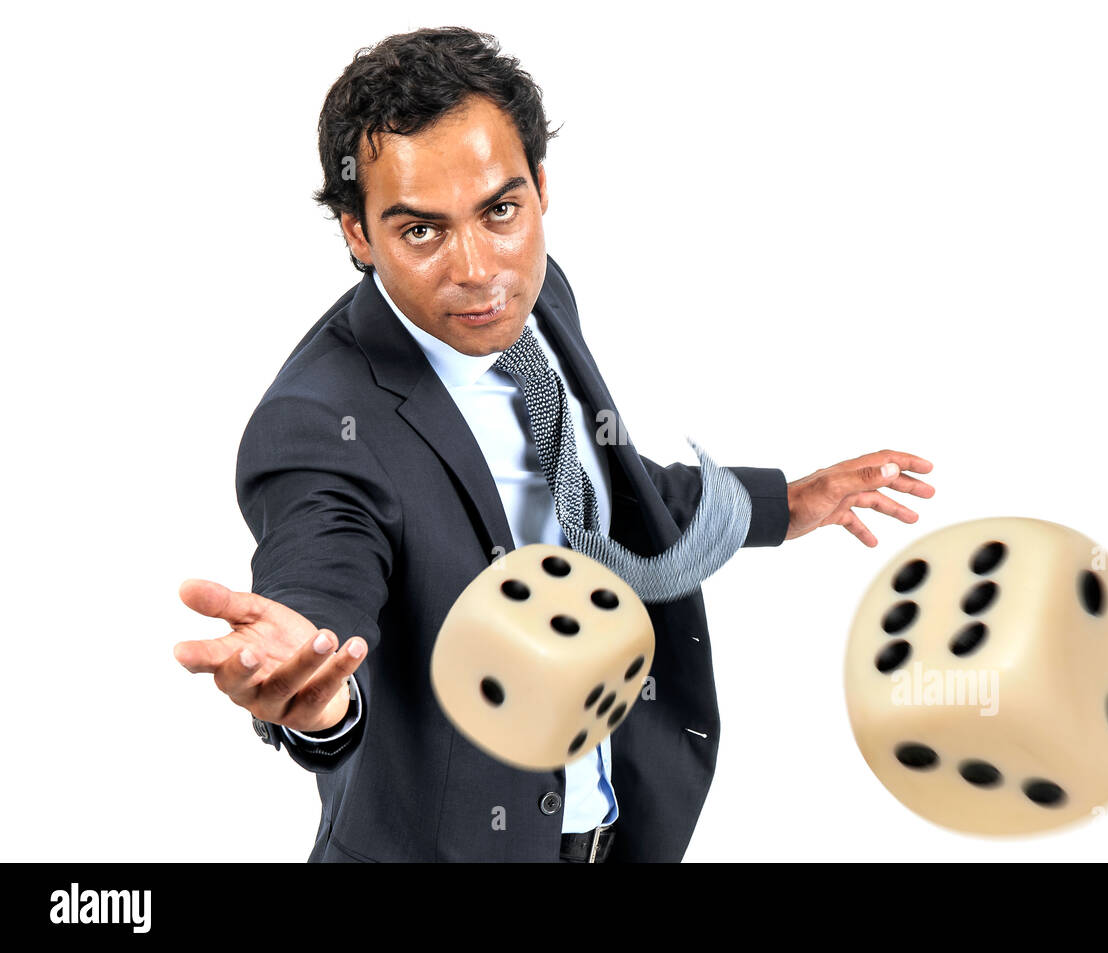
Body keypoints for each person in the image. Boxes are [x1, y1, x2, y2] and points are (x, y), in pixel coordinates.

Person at [173, 26, 935, 862]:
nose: (477, 268)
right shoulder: (319, 424)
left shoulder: (537, 296)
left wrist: (781, 503)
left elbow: (598, 486)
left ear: (539, 188)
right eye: (420, 231)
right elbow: (321, 580)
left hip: (607, 828)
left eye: (500, 210)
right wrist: (317, 694)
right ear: (358, 234)